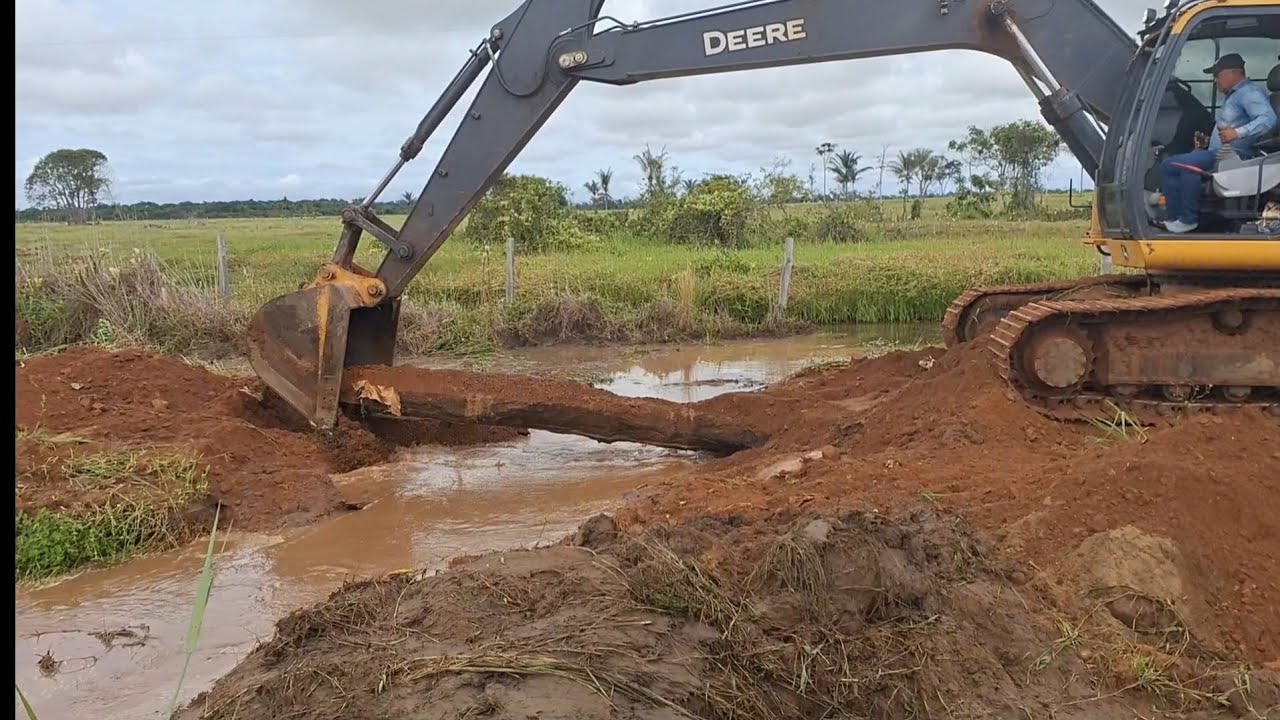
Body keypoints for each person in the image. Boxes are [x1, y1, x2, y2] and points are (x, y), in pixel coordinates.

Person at [1159, 53, 1277, 233]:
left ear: (1234, 73)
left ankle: (1186, 219)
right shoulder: (1234, 96)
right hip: (1220, 153)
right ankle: (1176, 217)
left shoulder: (1249, 93)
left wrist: (1236, 133)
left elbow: (1268, 119)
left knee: (1178, 164)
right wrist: (1206, 143)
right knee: (1171, 164)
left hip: (1235, 157)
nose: (1214, 80)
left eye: (1217, 74)